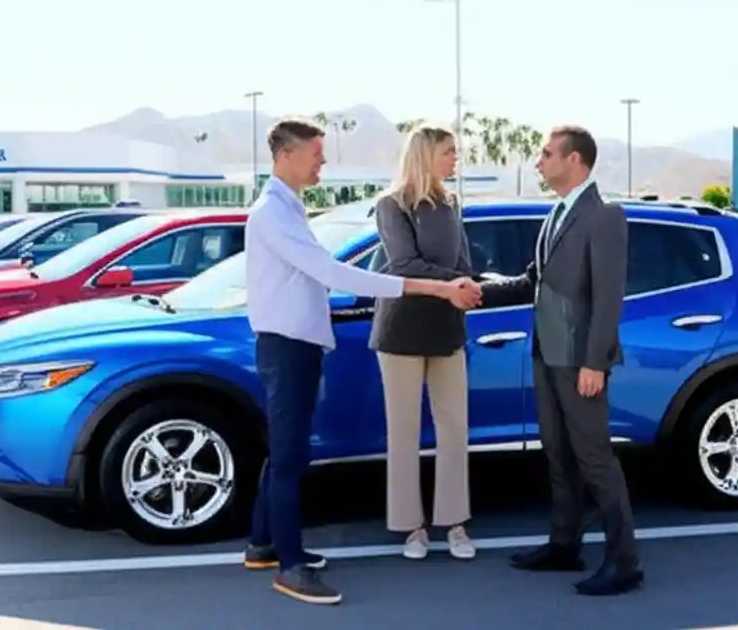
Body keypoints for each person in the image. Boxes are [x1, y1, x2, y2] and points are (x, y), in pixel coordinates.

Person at [242, 117, 481, 606]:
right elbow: (330, 272)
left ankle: (264, 545)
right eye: (315, 155)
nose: (322, 164)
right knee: (289, 458)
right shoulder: (272, 213)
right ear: (286, 156)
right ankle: (290, 567)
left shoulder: (288, 208)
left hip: (299, 345)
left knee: (287, 452)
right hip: (287, 347)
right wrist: (434, 287)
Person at [479, 125, 644, 596]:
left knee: (596, 460)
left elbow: (609, 297)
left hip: (578, 362)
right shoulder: (556, 214)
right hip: (547, 355)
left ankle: (624, 562)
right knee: (559, 457)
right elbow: (533, 281)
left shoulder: (604, 216)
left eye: (547, 154)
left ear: (576, 161)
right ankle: (564, 545)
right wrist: (474, 291)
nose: (539, 161)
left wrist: (596, 363)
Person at [368, 122, 475, 561]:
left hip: (446, 328)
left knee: (454, 429)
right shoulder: (391, 205)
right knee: (404, 432)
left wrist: (470, 288)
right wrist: (457, 284)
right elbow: (403, 265)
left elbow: (465, 263)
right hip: (401, 331)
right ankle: (411, 527)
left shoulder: (452, 205)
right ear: (425, 154)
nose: (456, 159)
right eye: (449, 151)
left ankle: (455, 523)